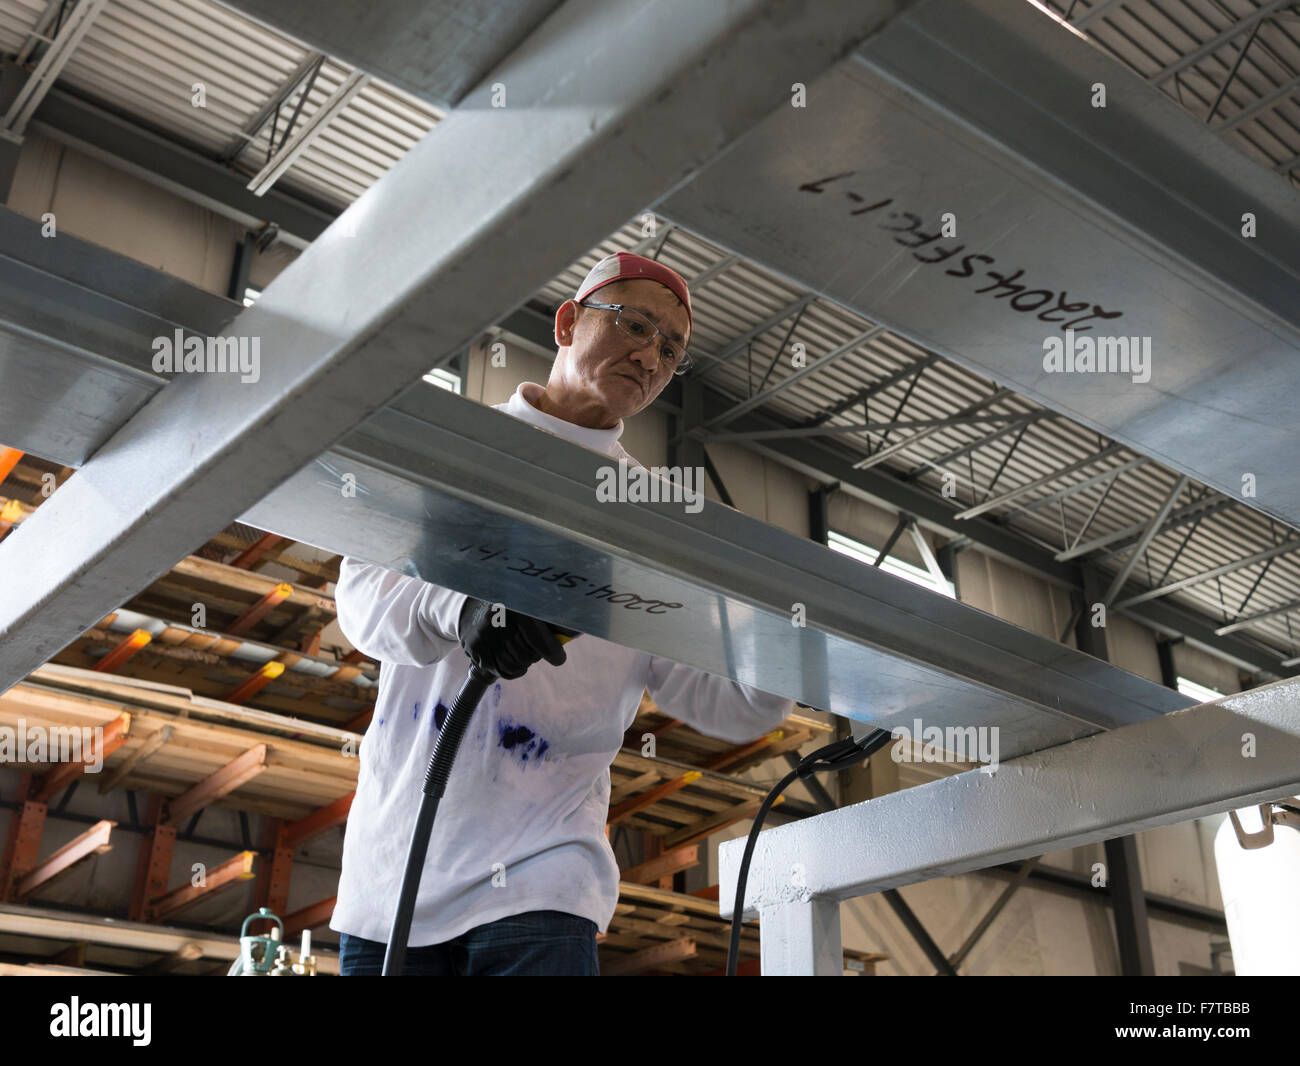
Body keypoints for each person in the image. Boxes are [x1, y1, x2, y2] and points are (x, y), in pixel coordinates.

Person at [330, 252, 794, 975]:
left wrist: (795, 638)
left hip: (544, 880)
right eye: (635, 324)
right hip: (395, 878)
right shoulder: (452, 452)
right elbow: (363, 607)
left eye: (670, 349)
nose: (650, 355)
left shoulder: (652, 521)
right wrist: (462, 610)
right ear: (568, 321)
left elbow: (720, 698)